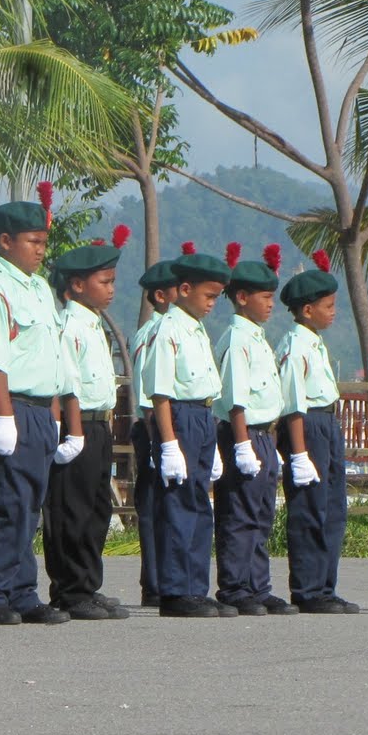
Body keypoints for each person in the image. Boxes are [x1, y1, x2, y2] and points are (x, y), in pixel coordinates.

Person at [0, 190, 72, 625]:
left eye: (43, 242)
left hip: (36, 408)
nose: (41, 250)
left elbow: (48, 358)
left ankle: (21, 591)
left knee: (28, 505)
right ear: (5, 242)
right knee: (5, 502)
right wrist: (4, 418)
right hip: (4, 406)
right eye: (32, 241)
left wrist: (52, 413)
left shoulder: (38, 288)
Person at [141, 249, 234, 618]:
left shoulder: (196, 329)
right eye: (208, 295)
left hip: (203, 415)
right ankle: (176, 590)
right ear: (183, 290)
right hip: (179, 417)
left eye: (216, 297)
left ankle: (196, 587)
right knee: (178, 505)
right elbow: (160, 393)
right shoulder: (168, 330)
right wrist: (168, 444)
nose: (212, 303)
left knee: (198, 505)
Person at [44, 230, 130, 620]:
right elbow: (68, 384)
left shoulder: (93, 323)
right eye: (104, 282)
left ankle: (87, 584)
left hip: (99, 426)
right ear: (77, 285)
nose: (111, 289)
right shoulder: (70, 325)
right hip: (77, 427)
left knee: (96, 508)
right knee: (71, 510)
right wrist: (74, 432)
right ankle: (70, 589)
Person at [212, 244, 295, 615]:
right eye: (264, 297)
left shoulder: (257, 338)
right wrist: (243, 444)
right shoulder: (237, 340)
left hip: (263, 435)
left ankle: (258, 586)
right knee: (239, 513)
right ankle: (235, 587)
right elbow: (236, 399)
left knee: (261, 514)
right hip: (242, 434)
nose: (270, 304)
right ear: (242, 298)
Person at [275, 251, 357, 614]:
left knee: (332, 508)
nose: (333, 312)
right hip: (306, 426)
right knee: (310, 508)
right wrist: (299, 454)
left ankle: (325, 585)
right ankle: (308, 588)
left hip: (326, 422)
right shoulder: (295, 346)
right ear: (307, 310)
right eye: (328, 306)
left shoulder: (314, 342)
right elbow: (293, 404)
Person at [130, 259, 180, 607]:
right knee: (154, 505)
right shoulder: (153, 333)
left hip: (168, 425)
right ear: (161, 296)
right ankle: (155, 583)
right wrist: (154, 437)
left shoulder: (175, 329)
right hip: (155, 426)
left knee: (169, 504)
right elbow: (150, 394)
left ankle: (167, 577)